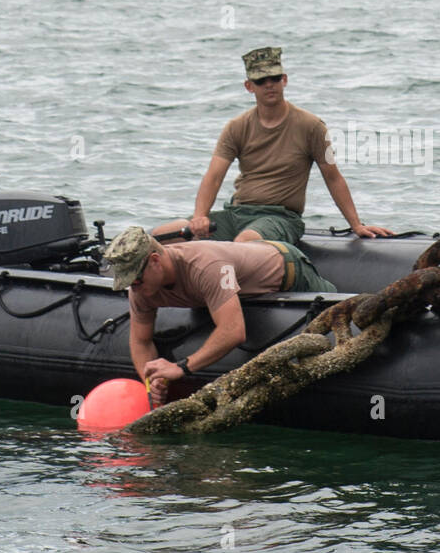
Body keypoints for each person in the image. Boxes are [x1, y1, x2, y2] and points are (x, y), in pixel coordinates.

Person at [153, 46, 393, 244]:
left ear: (284, 80)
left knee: (244, 244)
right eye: (261, 80)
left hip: (280, 217)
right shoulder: (237, 127)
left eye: (275, 78)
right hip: (237, 213)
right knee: (162, 237)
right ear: (249, 86)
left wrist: (356, 225)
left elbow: (333, 177)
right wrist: (199, 217)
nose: (269, 84)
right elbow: (214, 176)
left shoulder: (313, 127)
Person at [103, 225, 336, 405]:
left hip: (288, 268)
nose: (133, 288)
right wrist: (152, 383)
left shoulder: (206, 266)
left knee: (340, 309)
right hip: (241, 282)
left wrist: (181, 367)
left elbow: (233, 331)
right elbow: (141, 340)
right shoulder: (141, 289)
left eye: (135, 281)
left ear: (155, 261)